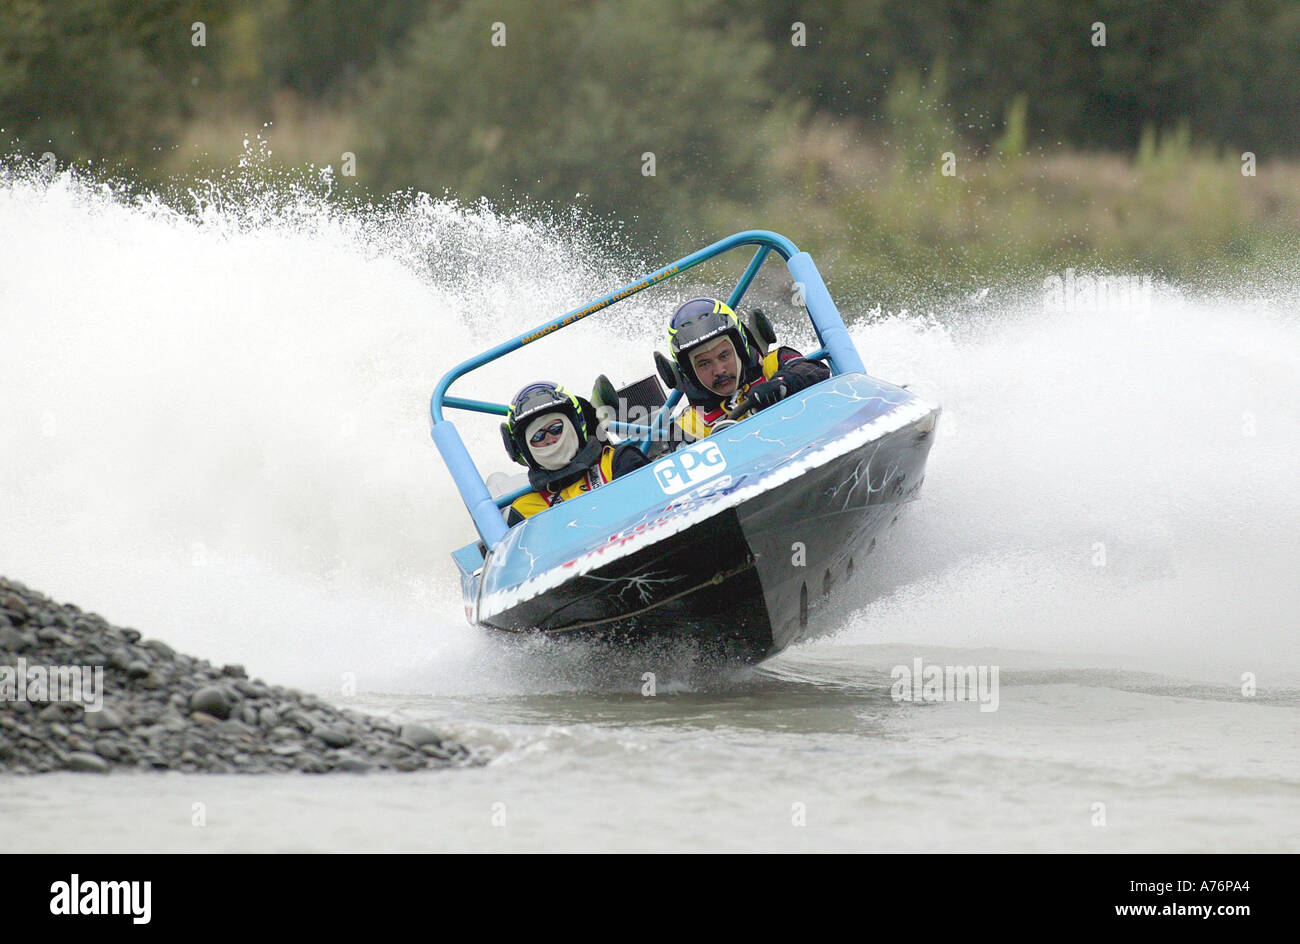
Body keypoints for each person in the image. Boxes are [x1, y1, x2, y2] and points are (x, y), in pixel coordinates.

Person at [665, 297, 830, 443]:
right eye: (704, 364)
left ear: (740, 350)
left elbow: (816, 371)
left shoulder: (776, 362)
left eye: (724, 356)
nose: (719, 370)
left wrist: (780, 384)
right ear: (689, 372)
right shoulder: (688, 427)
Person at [500, 381, 649, 525]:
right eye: (538, 436)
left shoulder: (617, 462)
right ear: (525, 448)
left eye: (556, 428)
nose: (550, 439)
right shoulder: (524, 512)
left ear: (575, 427)